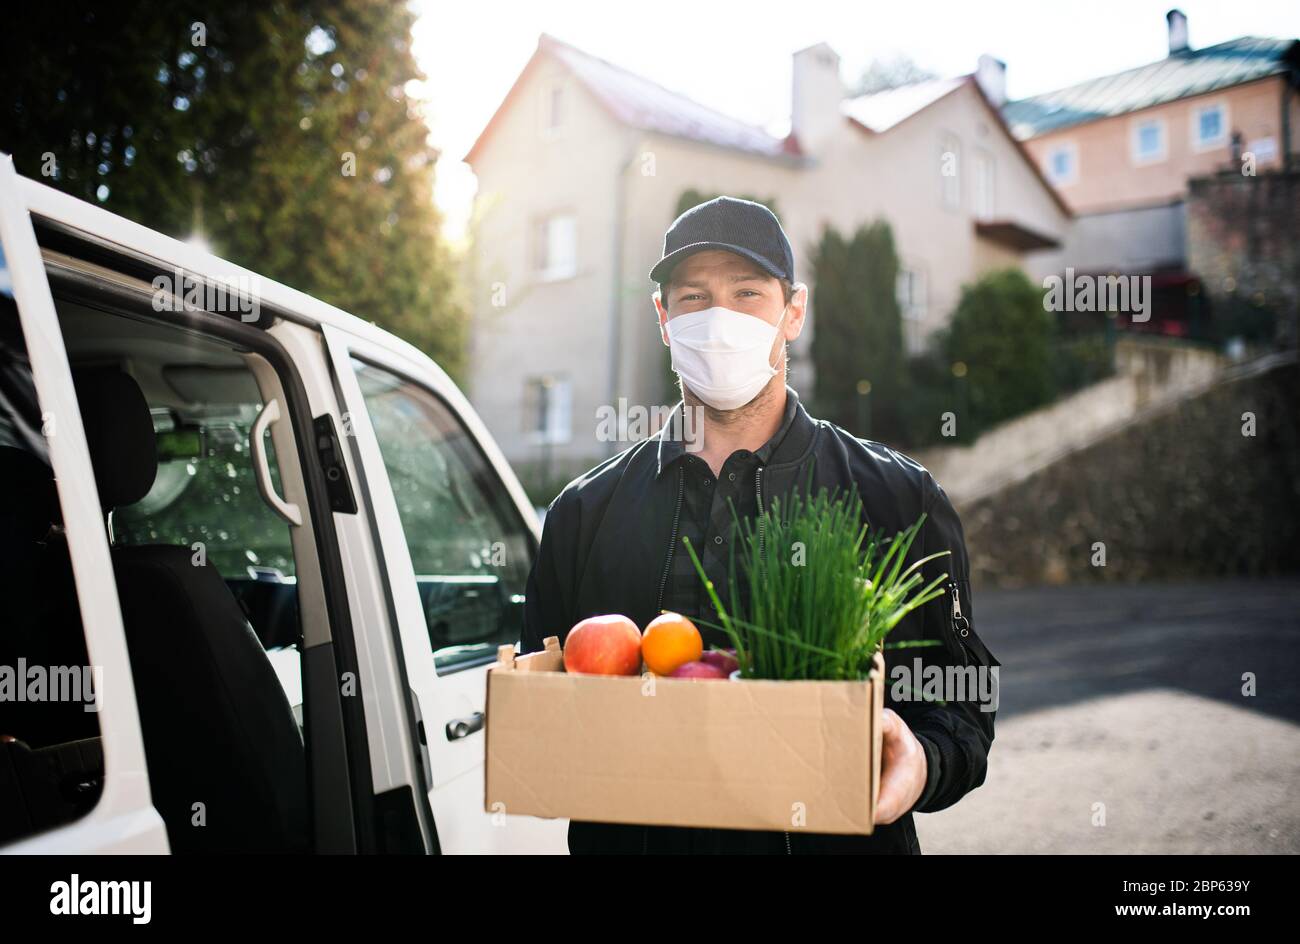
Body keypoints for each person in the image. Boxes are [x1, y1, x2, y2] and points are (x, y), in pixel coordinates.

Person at [521, 196, 998, 854]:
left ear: (793, 311)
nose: (719, 319)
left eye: (747, 293)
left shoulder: (899, 498)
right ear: (663, 319)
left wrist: (923, 756)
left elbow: (964, 701)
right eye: (694, 298)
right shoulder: (584, 512)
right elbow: (546, 702)